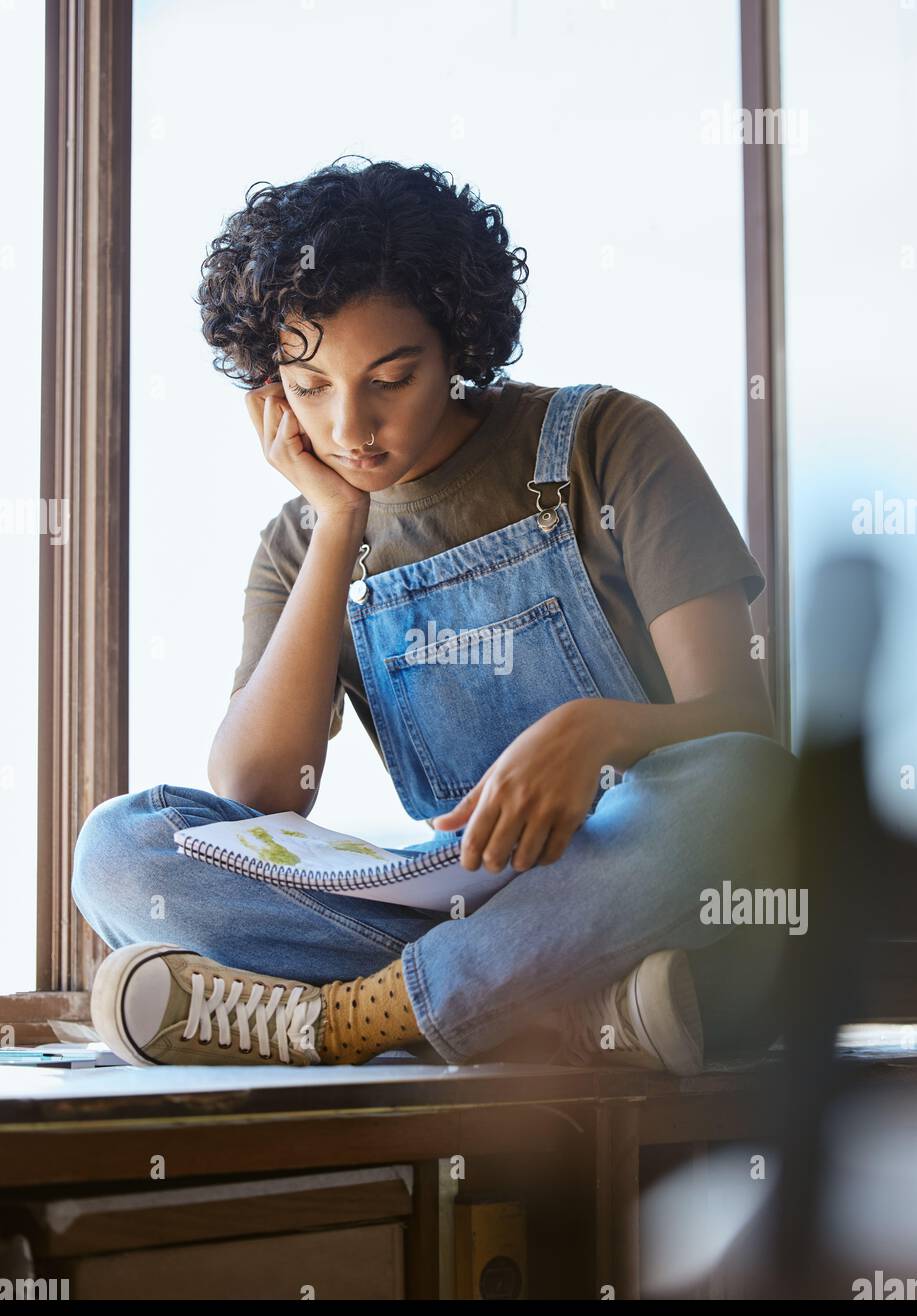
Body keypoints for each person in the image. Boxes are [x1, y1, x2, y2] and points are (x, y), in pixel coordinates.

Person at [72, 158, 799, 1074]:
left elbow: (740, 727)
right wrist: (339, 523)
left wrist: (599, 731)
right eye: (309, 388)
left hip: (653, 905)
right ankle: (556, 1012)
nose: (350, 427)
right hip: (485, 918)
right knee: (122, 848)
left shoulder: (606, 444)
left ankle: (343, 1023)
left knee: (745, 782)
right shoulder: (298, 545)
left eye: (392, 376)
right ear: (270, 392)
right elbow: (259, 791)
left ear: (456, 345)